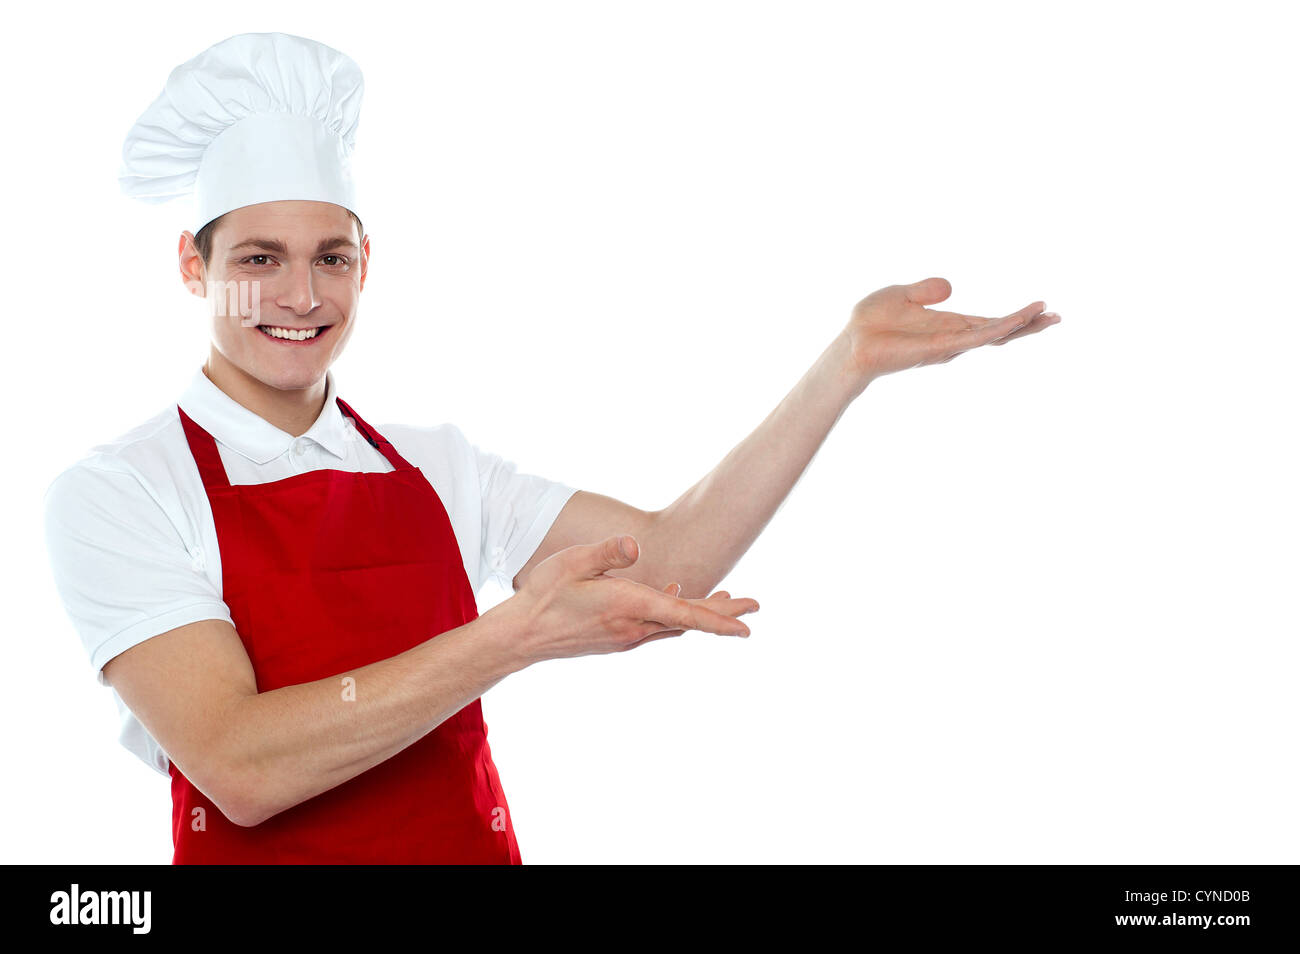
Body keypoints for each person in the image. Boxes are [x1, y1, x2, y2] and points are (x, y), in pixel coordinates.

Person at [43, 32, 1060, 865]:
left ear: (367, 263)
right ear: (192, 265)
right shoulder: (122, 491)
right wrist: (515, 634)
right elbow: (242, 767)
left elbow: (664, 563)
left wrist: (845, 364)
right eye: (259, 259)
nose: (303, 297)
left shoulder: (436, 465)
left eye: (331, 257)